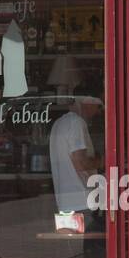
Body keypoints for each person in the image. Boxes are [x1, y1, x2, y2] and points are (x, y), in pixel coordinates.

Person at [49, 80, 104, 221]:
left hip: (65, 203)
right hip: (83, 202)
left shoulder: (59, 123)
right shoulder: (77, 123)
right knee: (88, 242)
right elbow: (81, 163)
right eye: (99, 105)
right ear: (88, 102)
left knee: (71, 242)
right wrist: (102, 160)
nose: (100, 110)